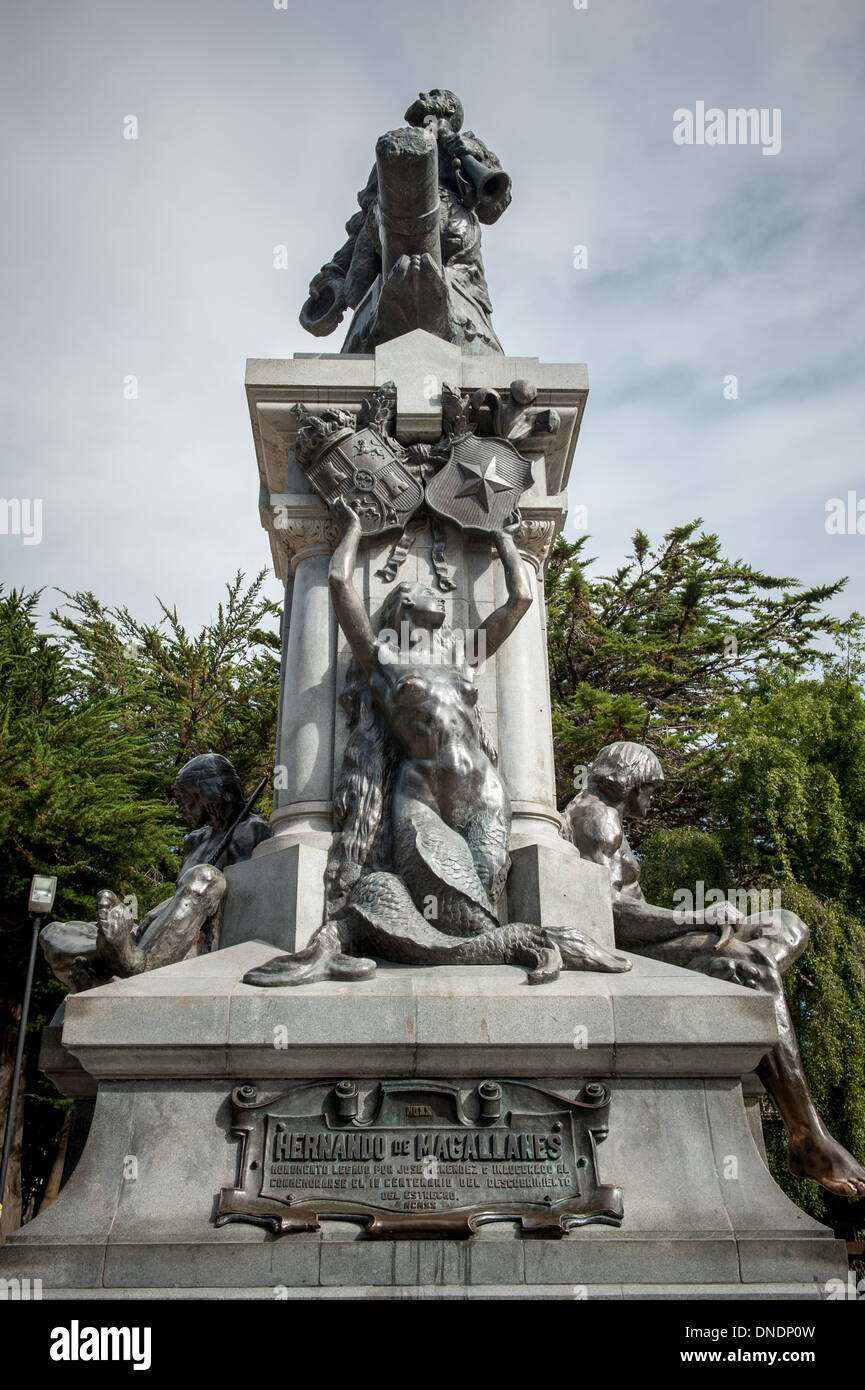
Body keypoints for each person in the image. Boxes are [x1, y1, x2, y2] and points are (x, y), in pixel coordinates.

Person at [244, 502, 628, 986]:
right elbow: (341, 586)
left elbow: (521, 600)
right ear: (401, 605)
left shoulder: (463, 658)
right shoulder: (382, 662)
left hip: (484, 792)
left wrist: (507, 539)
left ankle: (448, 945)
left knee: (480, 907)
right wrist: (353, 531)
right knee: (457, 907)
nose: (429, 586)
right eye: (417, 586)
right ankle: (522, 943)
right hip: (420, 792)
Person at [562, 740, 865, 1197]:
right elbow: (609, 916)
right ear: (629, 783)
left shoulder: (609, 816)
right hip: (633, 948)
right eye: (649, 788)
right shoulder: (596, 817)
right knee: (755, 969)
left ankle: (745, 979)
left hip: (659, 937)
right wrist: (698, 918)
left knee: (787, 924)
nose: (652, 799)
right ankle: (806, 1135)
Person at [299, 89, 511, 354]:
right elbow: (364, 216)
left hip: (453, 227)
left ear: (451, 109)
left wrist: (464, 150)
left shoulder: (470, 145)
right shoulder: (393, 152)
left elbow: (496, 204)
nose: (423, 95)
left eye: (434, 95)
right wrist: (336, 273)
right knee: (362, 288)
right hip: (381, 230)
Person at [40, 753, 270, 990]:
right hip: (155, 932)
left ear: (205, 791)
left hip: (193, 939)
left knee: (208, 877)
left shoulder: (249, 831)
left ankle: (131, 965)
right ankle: (109, 959)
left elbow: (242, 903)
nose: (180, 806)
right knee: (53, 932)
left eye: (184, 797)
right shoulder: (195, 840)